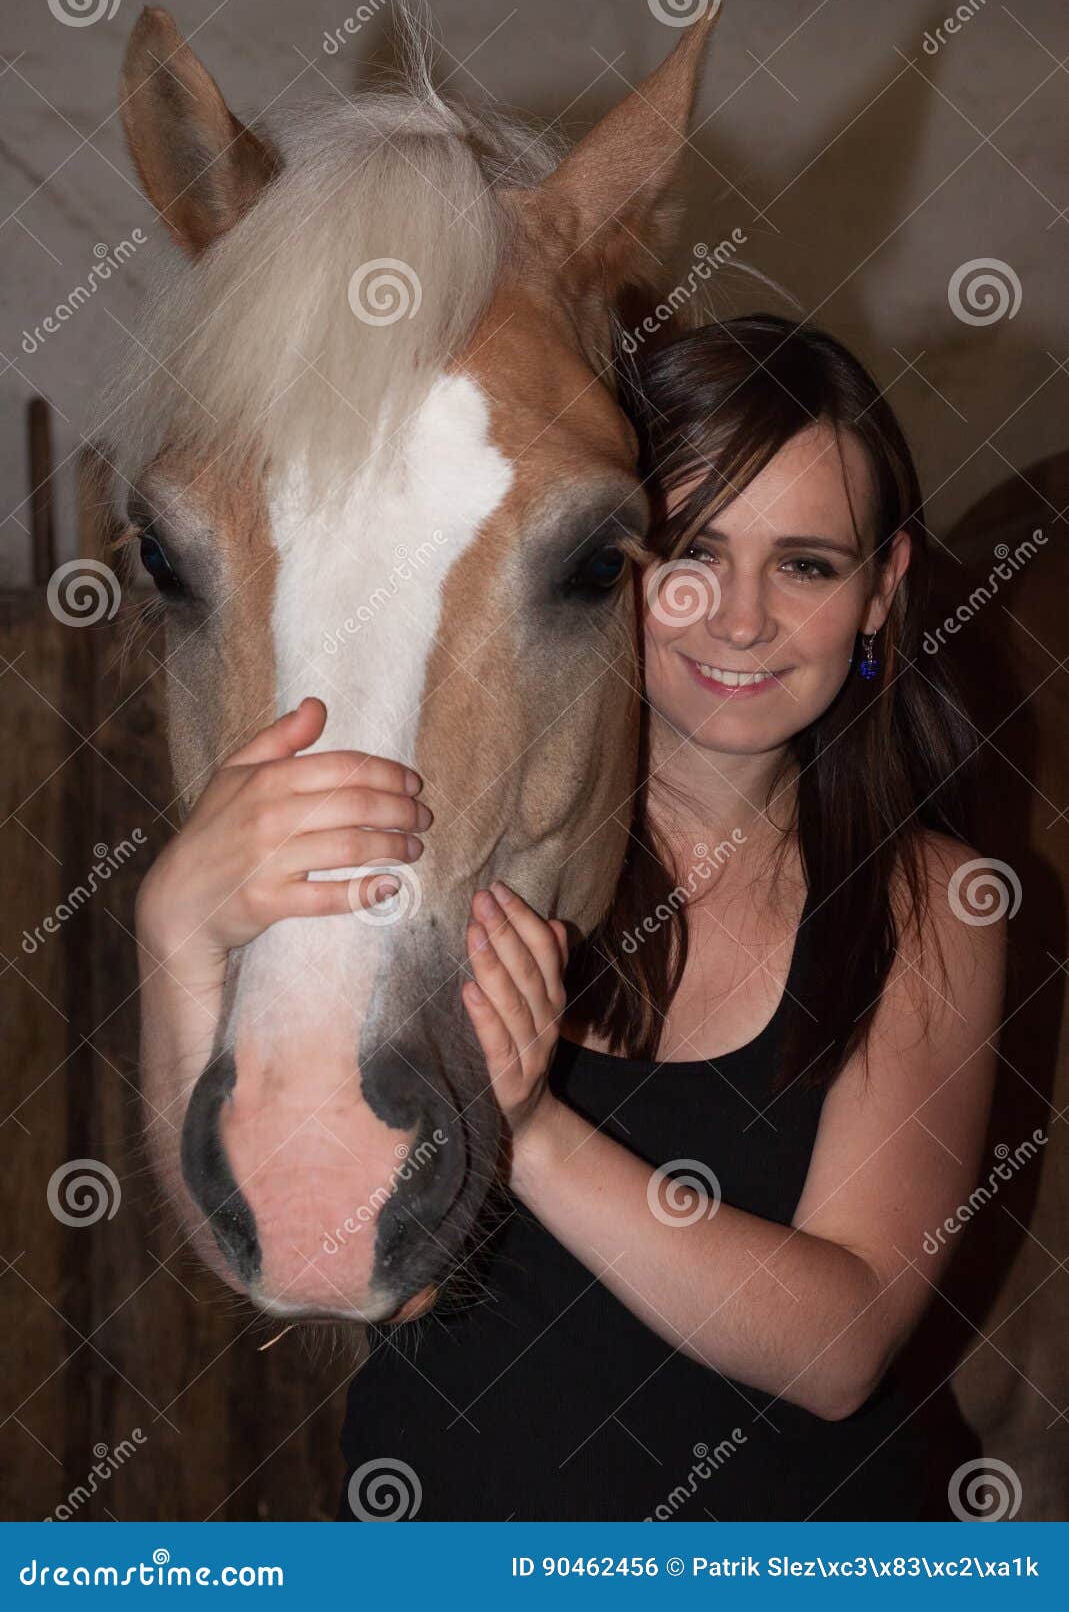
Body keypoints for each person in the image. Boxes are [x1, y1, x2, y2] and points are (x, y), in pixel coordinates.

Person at [139, 312, 1005, 1521]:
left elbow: (838, 1345)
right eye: (693, 552)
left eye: (807, 563)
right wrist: (174, 943)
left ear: (880, 593)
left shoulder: (932, 904)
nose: (742, 616)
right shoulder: (467, 859)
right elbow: (317, 1244)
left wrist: (533, 1129)